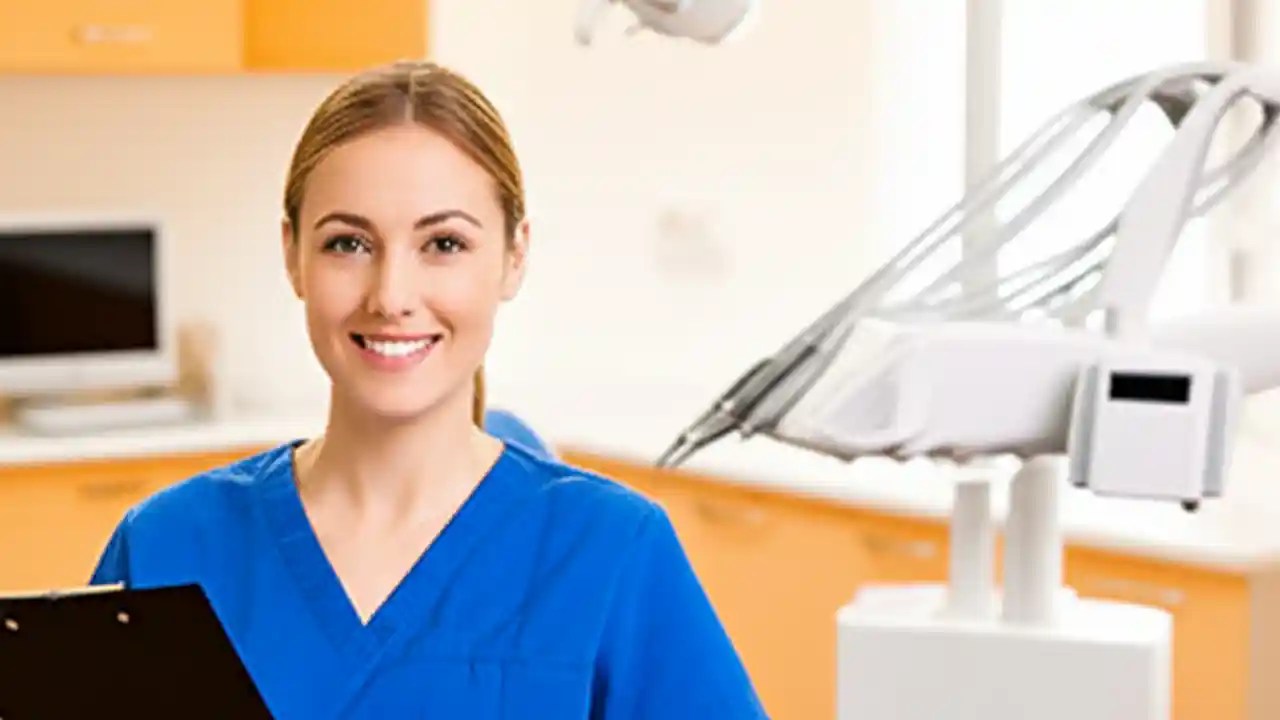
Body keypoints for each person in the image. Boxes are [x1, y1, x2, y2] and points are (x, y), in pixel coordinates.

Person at [89, 60, 768, 719]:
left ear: (514, 256)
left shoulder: (610, 553)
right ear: (293, 255)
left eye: (443, 244)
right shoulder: (166, 548)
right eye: (349, 245)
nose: (392, 296)